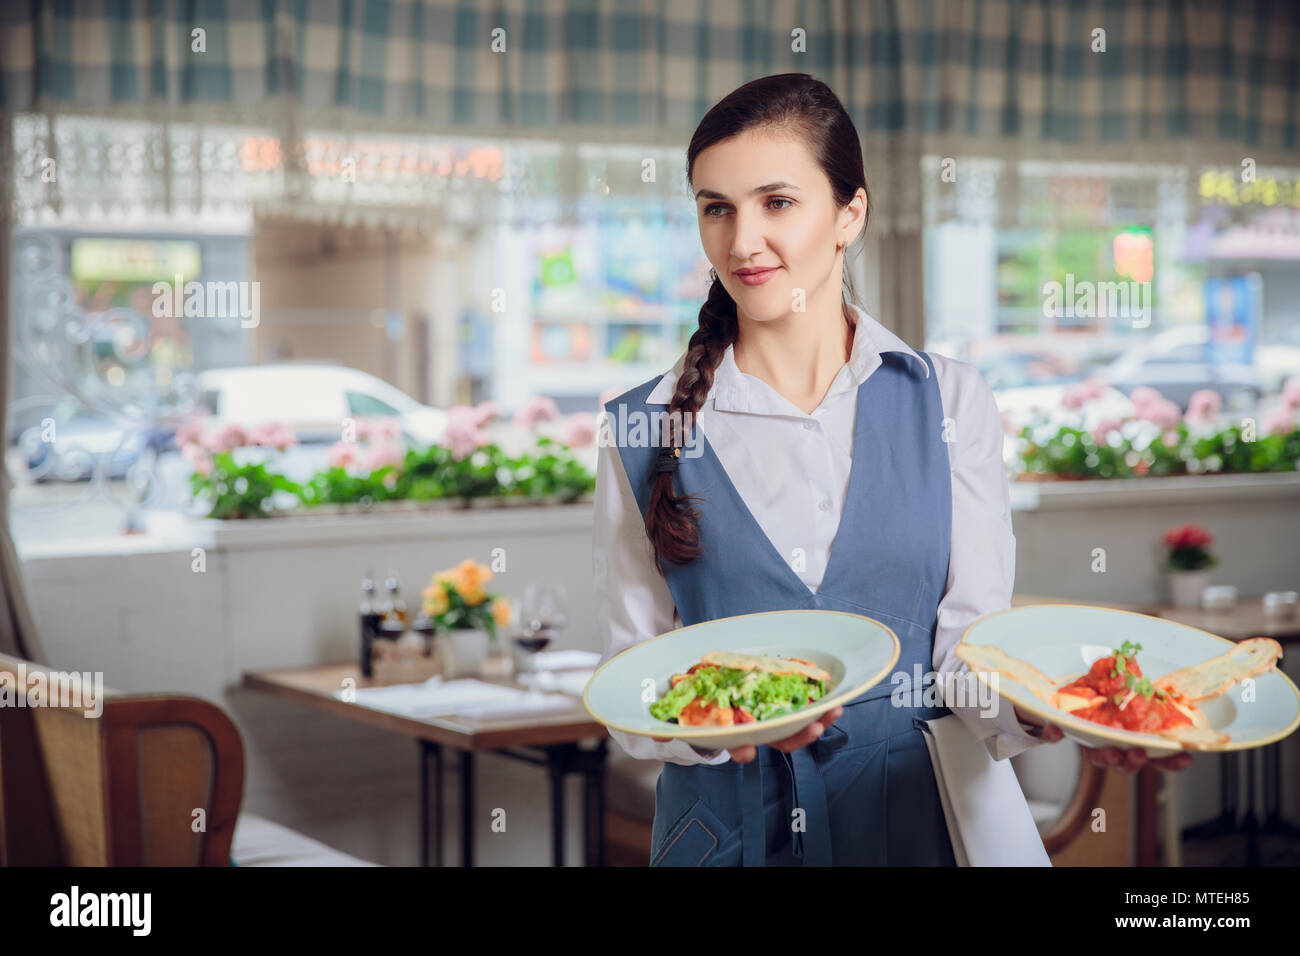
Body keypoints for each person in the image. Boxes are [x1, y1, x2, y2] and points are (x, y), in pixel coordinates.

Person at [592, 73, 1190, 867]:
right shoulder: (639, 425)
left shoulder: (950, 400)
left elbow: (968, 650)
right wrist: (715, 729)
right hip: (725, 839)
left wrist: (1054, 712)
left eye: (777, 203)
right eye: (716, 207)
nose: (741, 242)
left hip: (916, 828)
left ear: (850, 213)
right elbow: (630, 682)